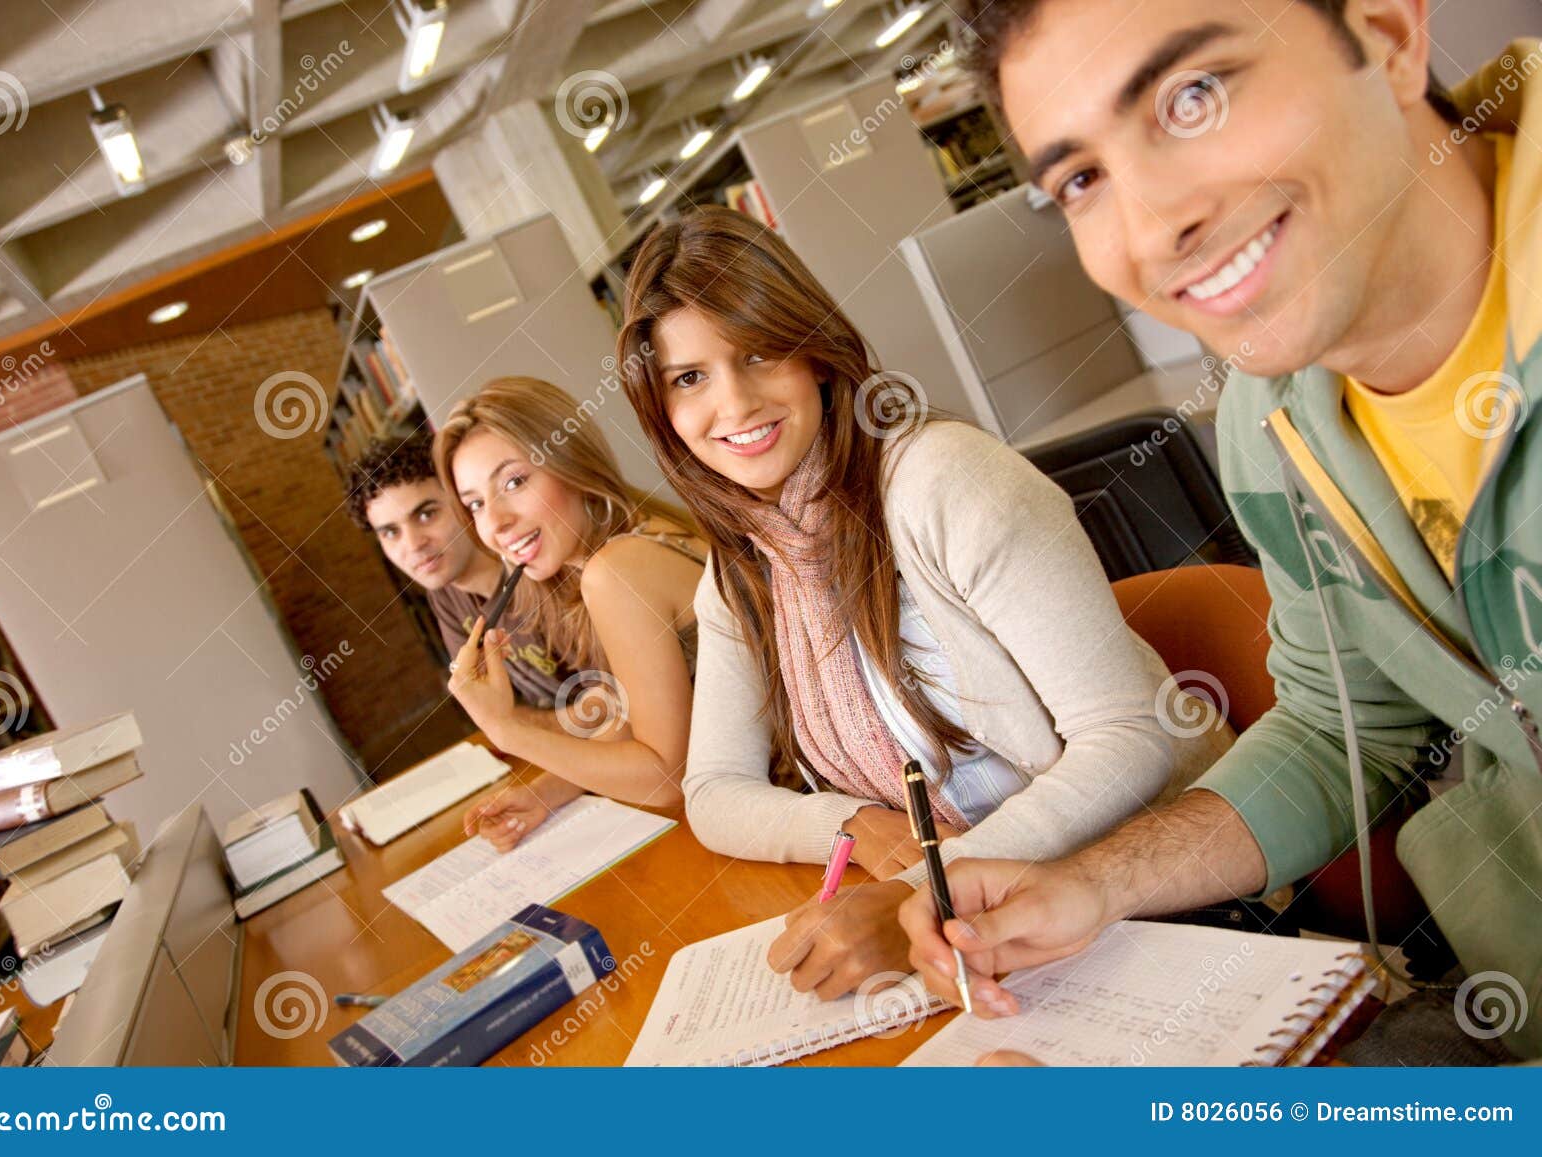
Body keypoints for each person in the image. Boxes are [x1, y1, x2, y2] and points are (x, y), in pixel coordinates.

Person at [899, 0, 1541, 1064]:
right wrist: (1092, 883)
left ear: (1386, 32)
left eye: (1191, 97)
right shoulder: (1272, 424)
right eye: (1081, 179)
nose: (1152, 229)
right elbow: (1345, 730)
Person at [616, 205, 1233, 1000]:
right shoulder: (744, 567)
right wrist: (854, 825)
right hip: (986, 927)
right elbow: (712, 792)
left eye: (760, 352)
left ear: (817, 356)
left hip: (1151, 885)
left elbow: (1132, 737)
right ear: (662, 410)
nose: (732, 405)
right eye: (689, 378)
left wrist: (920, 894)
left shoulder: (946, 481)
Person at [436, 376, 706, 844]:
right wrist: (546, 792)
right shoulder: (640, 533)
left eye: (515, 482)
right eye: (475, 504)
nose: (495, 523)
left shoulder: (616, 571)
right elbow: (633, 715)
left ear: (572, 462)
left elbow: (664, 779)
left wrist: (504, 729)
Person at [343, 431, 573, 719]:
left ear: (463, 503)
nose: (413, 545)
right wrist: (508, 723)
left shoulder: (543, 570)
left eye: (426, 515)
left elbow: (615, 711)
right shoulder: (444, 595)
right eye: (391, 532)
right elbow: (490, 706)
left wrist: (510, 726)